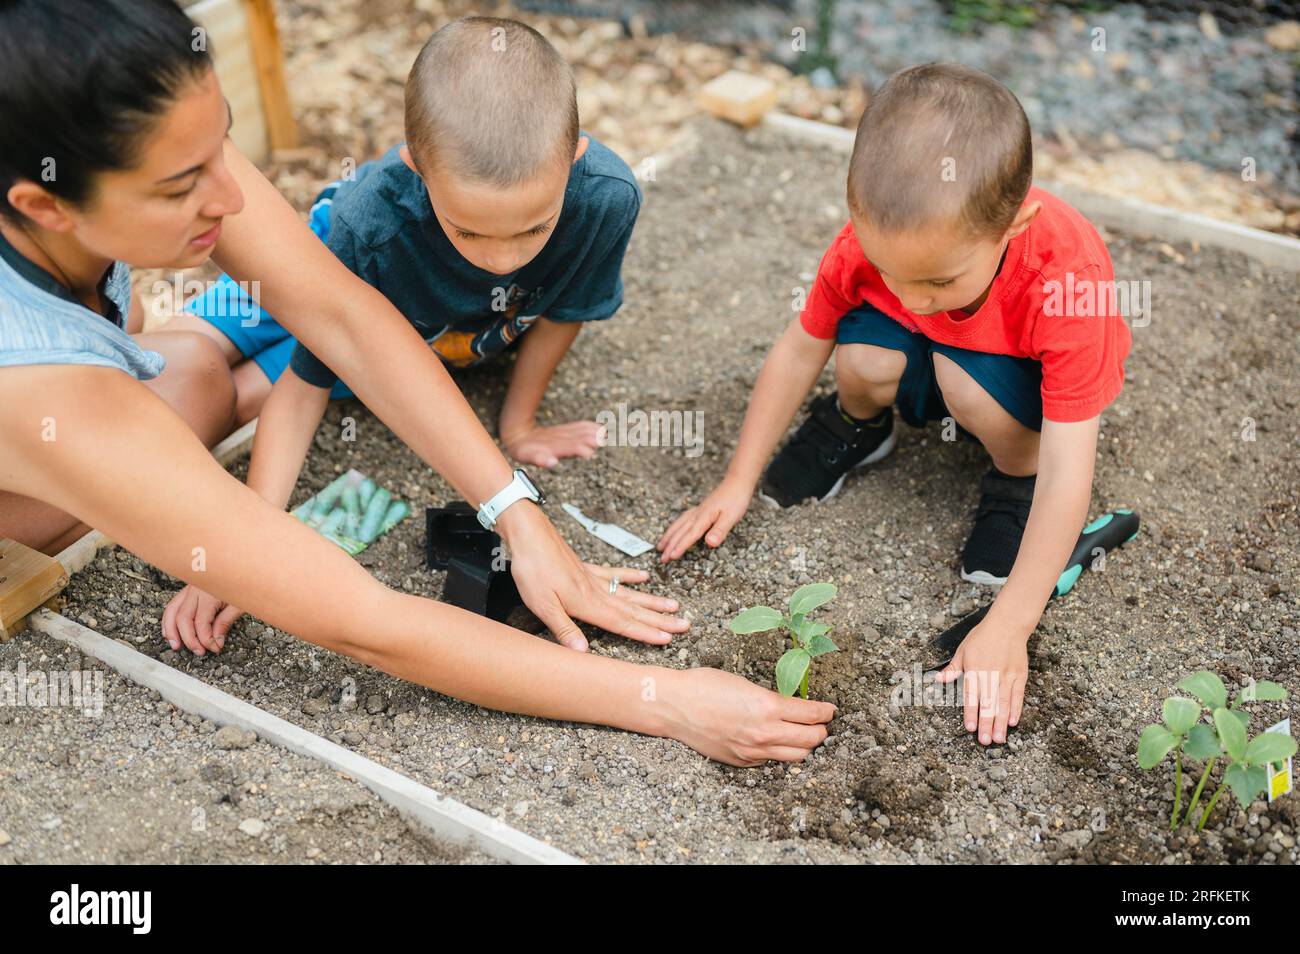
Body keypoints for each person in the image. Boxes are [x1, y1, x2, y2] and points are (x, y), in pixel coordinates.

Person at [0, 0, 834, 767]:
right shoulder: (45, 389)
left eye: (221, 141)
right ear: (43, 205)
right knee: (161, 431)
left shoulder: (142, 158)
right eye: (184, 186)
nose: (234, 191)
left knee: (190, 386)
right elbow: (365, 622)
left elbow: (348, 319)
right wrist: (666, 701)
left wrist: (516, 510)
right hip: (38, 431)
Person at [659, 63, 1130, 749]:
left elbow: (1071, 462)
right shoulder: (882, 240)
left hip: (1009, 390)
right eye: (890, 273)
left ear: (1015, 224)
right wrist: (736, 479)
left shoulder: (1065, 279)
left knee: (965, 383)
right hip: (931, 358)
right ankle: (859, 425)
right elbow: (800, 349)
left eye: (938, 278)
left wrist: (1010, 621)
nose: (910, 298)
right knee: (865, 357)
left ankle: (1009, 476)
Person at [161, 17, 643, 643]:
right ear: (416, 167)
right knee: (188, 361)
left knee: (230, 397)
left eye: (533, 228)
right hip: (317, 266)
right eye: (468, 231)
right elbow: (306, 380)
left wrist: (517, 425)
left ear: (574, 157)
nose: (503, 260)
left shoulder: (606, 199)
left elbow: (563, 315)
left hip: (398, 341)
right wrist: (247, 546)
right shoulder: (370, 224)